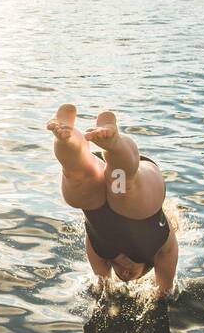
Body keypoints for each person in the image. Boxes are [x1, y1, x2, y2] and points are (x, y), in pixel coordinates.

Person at [46, 104, 178, 297]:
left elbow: (103, 289)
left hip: (97, 205)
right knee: (123, 188)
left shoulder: (101, 252)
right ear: (148, 268)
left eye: (119, 274)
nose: (124, 273)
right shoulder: (159, 249)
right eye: (132, 275)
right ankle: (114, 143)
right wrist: (163, 292)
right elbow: (165, 293)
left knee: (76, 175)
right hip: (141, 198)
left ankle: (66, 136)